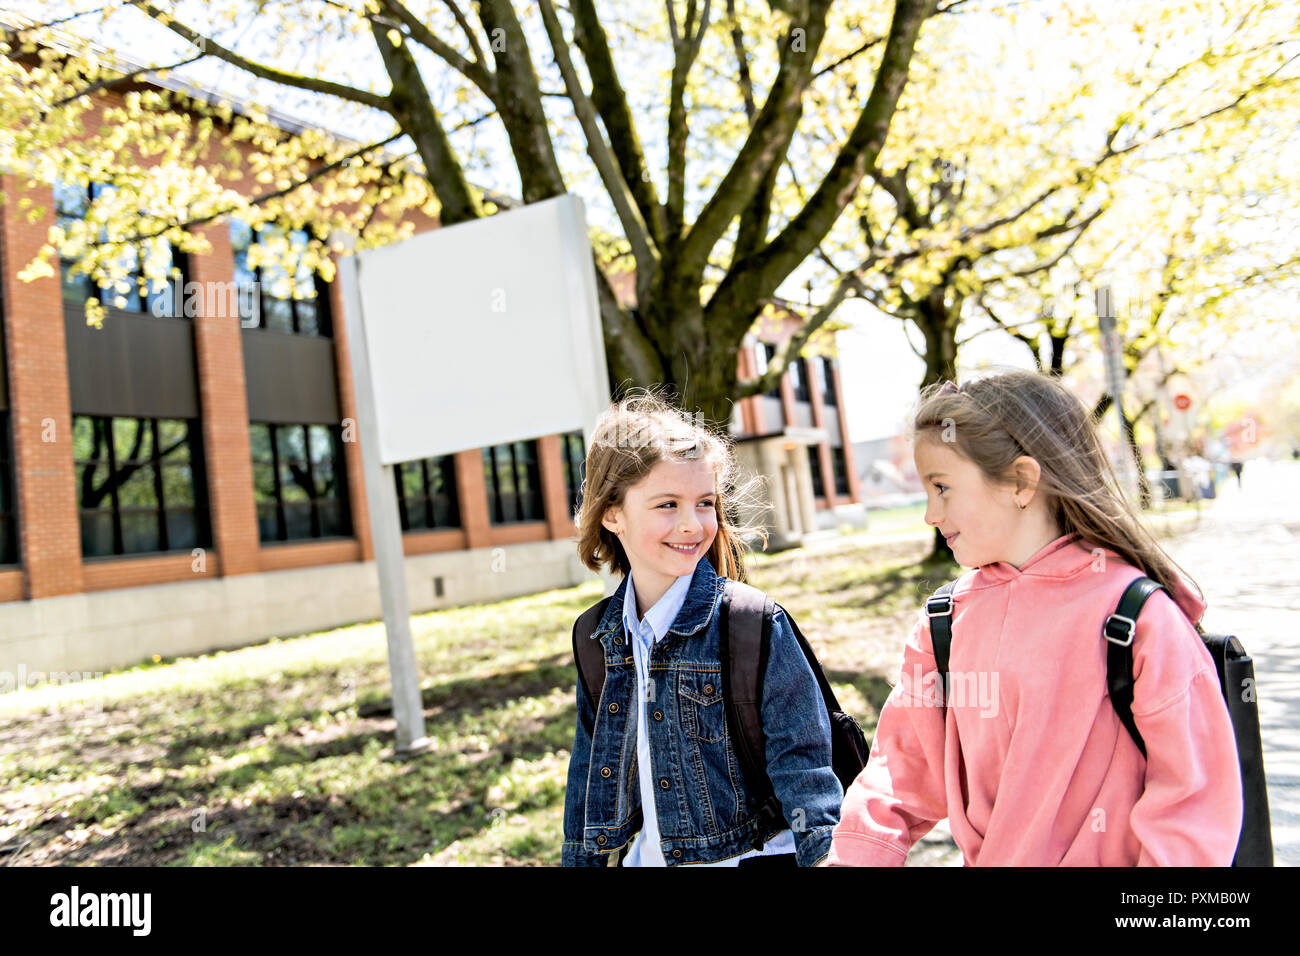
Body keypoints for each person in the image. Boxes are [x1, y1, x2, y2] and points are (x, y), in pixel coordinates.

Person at [827, 371, 1243, 866]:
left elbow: (1191, 808)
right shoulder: (944, 625)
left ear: (1021, 482)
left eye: (942, 487)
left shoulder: (1137, 617)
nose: (930, 514)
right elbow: (901, 770)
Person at [562, 390, 843, 866]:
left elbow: (807, 770)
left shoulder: (751, 624)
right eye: (667, 504)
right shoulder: (597, 638)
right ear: (612, 514)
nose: (692, 525)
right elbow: (588, 786)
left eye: (705, 503)